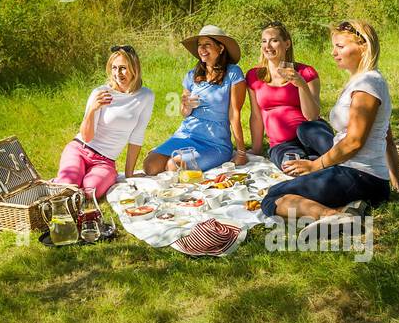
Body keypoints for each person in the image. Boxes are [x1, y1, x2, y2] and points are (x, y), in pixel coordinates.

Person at [260, 20, 399, 231]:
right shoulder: (367, 80)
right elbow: (387, 138)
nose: (333, 52)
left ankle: (337, 216)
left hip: (358, 176)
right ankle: (351, 207)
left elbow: (353, 143)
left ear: (363, 47)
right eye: (334, 46)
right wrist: (397, 185)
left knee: (273, 197)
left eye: (340, 46)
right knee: (284, 188)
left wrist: (315, 165)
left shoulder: (367, 86)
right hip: (366, 177)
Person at [143, 25, 249, 175]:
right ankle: (169, 152)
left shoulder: (233, 73)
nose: (202, 49)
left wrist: (241, 152)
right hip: (186, 134)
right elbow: (184, 113)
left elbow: (234, 114)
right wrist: (186, 106)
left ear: (221, 48)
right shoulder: (192, 75)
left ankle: (175, 158)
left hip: (214, 142)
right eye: (200, 45)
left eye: (207, 44)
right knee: (150, 166)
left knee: (174, 166)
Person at [55, 46, 155, 200]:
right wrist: (92, 110)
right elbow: (86, 137)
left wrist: (129, 175)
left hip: (105, 161)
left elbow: (137, 136)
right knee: (67, 187)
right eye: (114, 68)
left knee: (90, 193)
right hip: (80, 150)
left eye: (123, 68)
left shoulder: (146, 96)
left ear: (134, 68)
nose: (117, 73)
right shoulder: (100, 93)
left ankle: (78, 183)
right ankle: (58, 184)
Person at [244, 21, 328, 169]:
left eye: (274, 40)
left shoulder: (306, 72)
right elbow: (256, 116)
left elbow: (312, 116)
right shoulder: (254, 76)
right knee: (294, 169)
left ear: (287, 43)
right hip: (282, 145)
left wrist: (301, 84)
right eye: (264, 41)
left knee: (335, 159)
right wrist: (256, 149)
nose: (267, 46)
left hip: (310, 133)